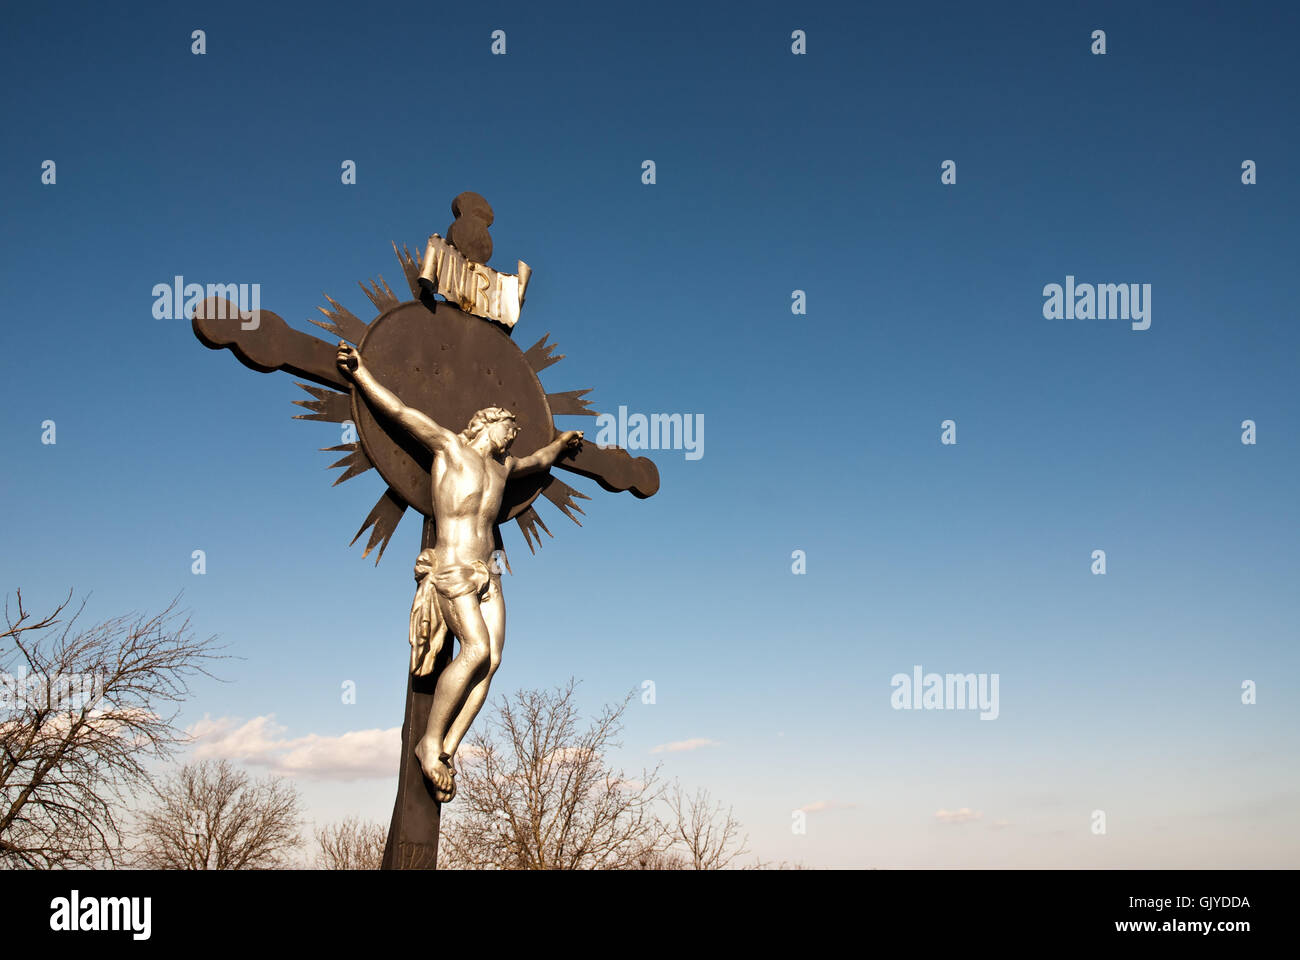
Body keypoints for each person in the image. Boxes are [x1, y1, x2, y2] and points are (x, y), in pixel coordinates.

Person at [336, 341, 582, 801]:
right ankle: (427, 744)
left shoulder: (504, 467)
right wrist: (361, 374)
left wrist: (561, 444)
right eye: (509, 425)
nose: (513, 434)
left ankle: (447, 747)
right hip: (451, 563)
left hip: (489, 569)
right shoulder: (450, 448)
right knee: (474, 649)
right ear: (487, 422)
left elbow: (538, 462)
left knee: (492, 662)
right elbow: (402, 414)